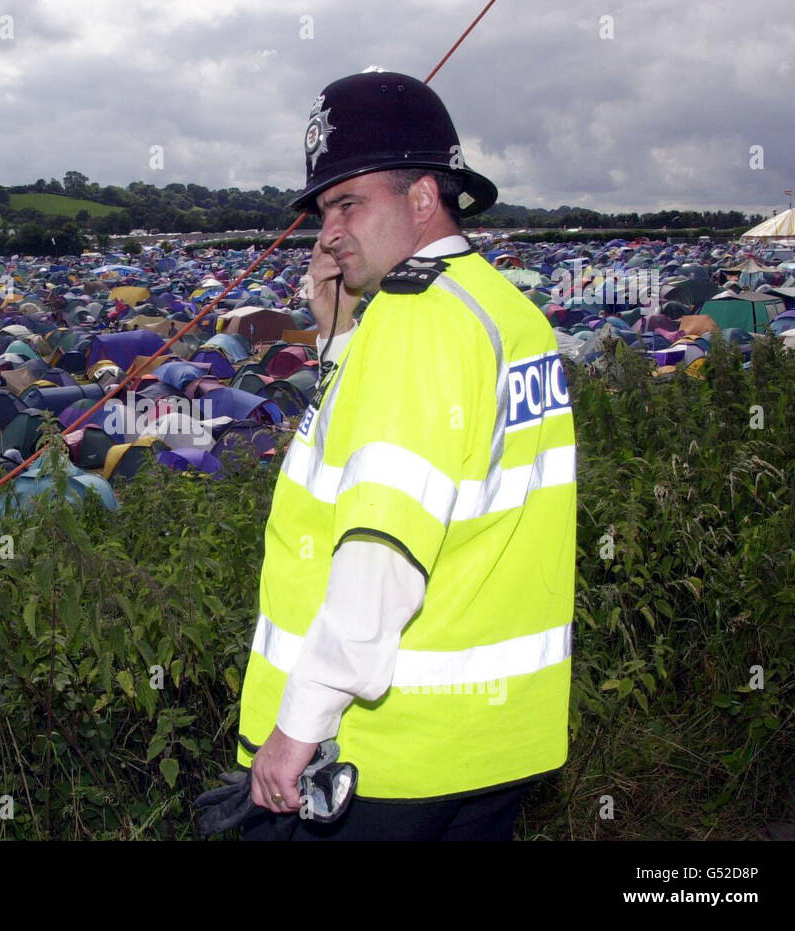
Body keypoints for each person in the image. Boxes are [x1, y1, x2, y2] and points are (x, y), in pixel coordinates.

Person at [233, 71, 577, 841]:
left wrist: (301, 721)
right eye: (324, 210)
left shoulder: (415, 321)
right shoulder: (501, 309)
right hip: (483, 745)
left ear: (423, 197)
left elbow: (383, 542)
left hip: (379, 756)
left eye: (349, 202)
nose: (327, 232)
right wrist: (343, 340)